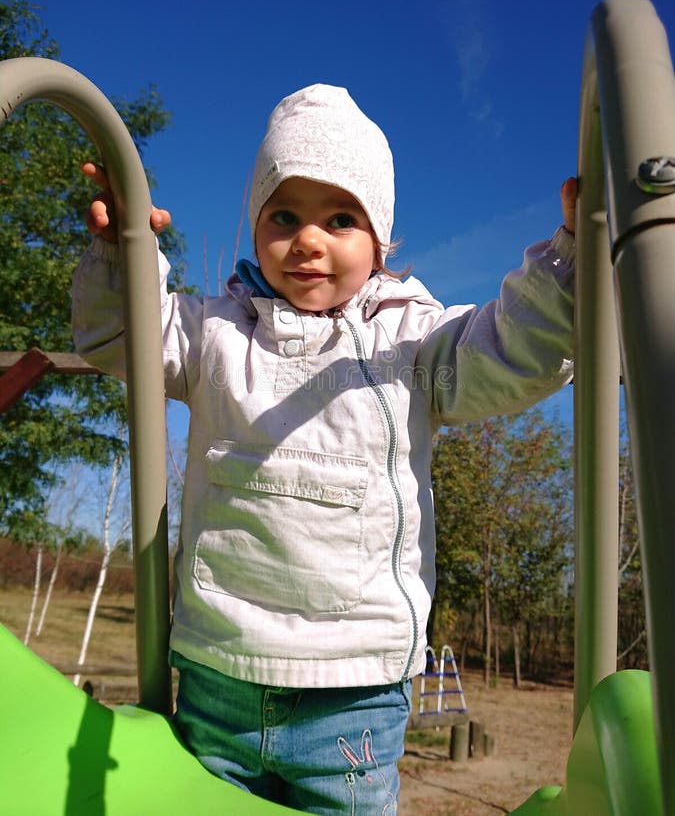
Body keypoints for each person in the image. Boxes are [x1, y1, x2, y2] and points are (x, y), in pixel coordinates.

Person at [73, 84, 577, 814]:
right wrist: (122, 252)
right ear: (255, 227)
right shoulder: (216, 333)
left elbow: (507, 351)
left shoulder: (410, 342)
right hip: (220, 670)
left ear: (380, 241)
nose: (308, 240)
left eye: (340, 219)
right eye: (284, 216)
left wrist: (567, 268)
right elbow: (122, 335)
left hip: (353, 689)